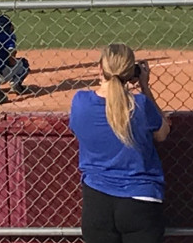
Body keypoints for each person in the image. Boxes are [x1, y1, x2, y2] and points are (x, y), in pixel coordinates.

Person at [69, 44, 171, 243]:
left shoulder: (80, 101)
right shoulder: (140, 104)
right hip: (141, 201)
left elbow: (77, 128)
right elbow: (163, 133)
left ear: (100, 68)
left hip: (97, 202)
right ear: (130, 72)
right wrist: (145, 86)